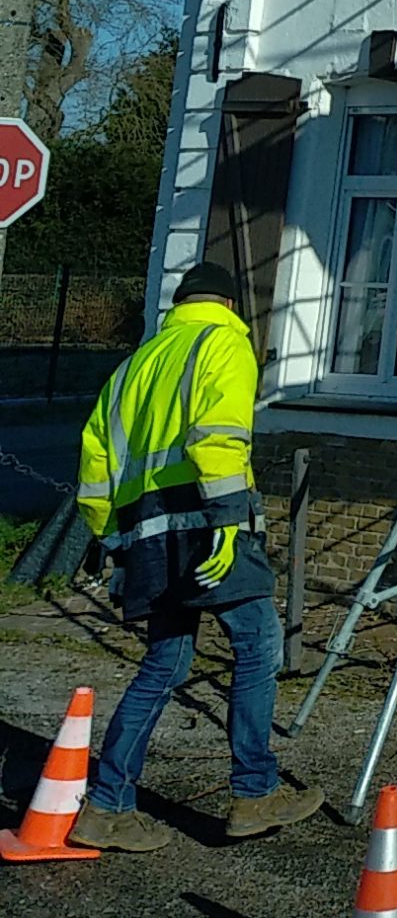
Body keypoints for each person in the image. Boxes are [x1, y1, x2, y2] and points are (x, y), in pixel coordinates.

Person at [68, 261, 324, 851]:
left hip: (148, 538)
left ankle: (107, 808)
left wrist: (117, 543)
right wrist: (230, 523)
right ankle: (254, 793)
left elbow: (93, 472)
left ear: (178, 305)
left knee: (164, 665)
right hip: (208, 527)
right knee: (258, 645)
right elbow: (217, 439)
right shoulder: (225, 344)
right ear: (231, 306)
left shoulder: (134, 366)